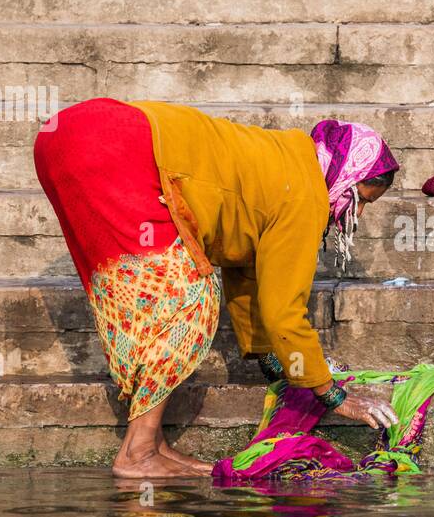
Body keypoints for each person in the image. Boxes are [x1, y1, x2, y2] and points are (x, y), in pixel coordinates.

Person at [34, 98, 401, 478]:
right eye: (359, 200)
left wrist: (273, 360)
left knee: (162, 293)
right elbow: (284, 314)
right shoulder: (306, 192)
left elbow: (248, 271)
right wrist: (331, 394)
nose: (355, 214)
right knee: (186, 301)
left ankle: (151, 443)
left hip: (65, 135)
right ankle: (138, 453)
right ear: (347, 174)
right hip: (117, 144)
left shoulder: (286, 162)